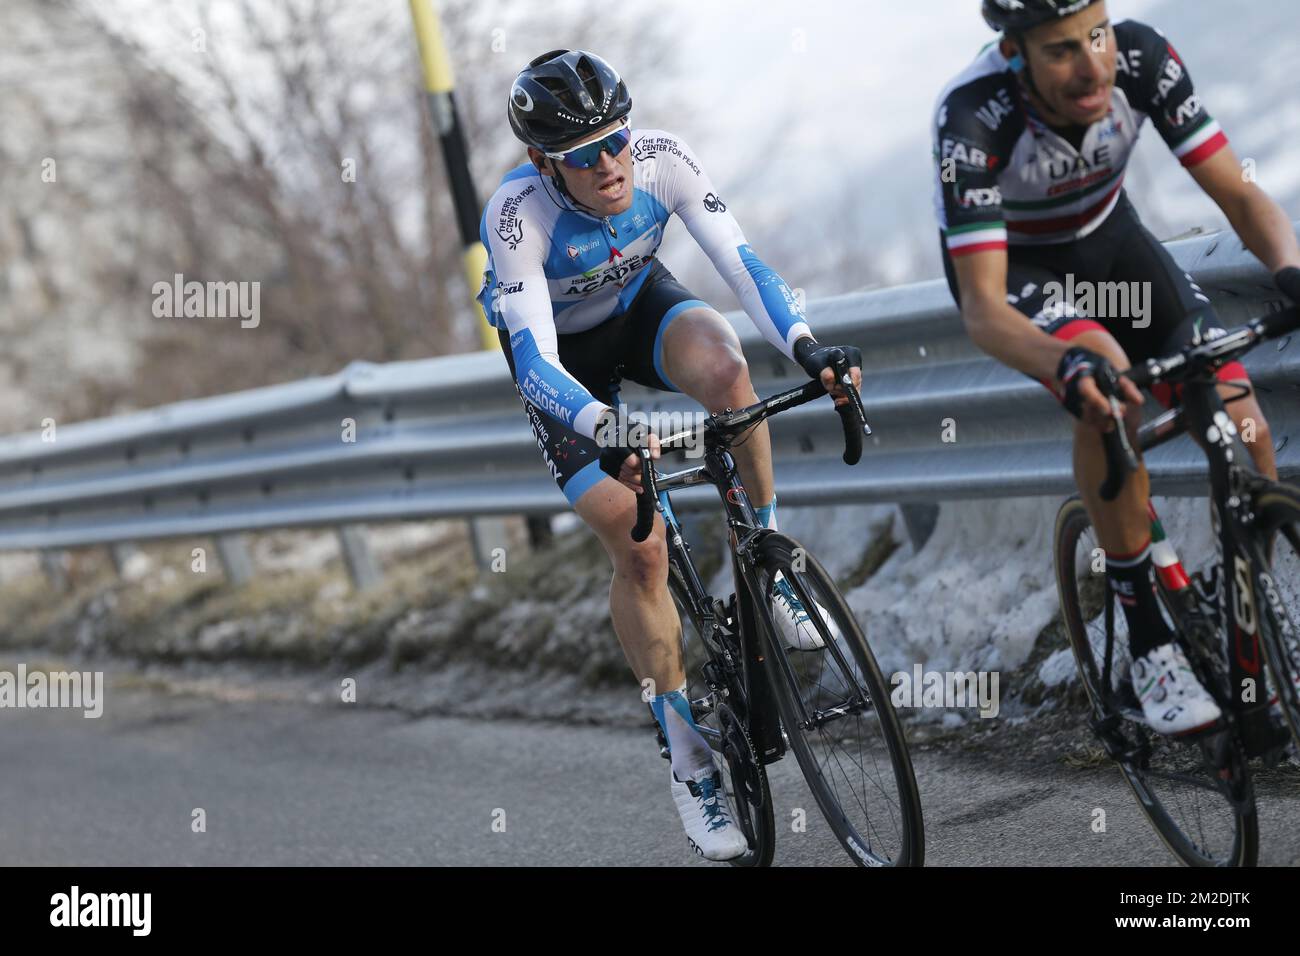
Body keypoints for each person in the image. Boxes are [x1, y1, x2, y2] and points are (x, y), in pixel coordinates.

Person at [478, 49, 863, 860]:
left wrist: (808, 346)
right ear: (545, 163)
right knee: (641, 547)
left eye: (616, 141)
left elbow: (740, 261)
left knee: (729, 374)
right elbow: (535, 355)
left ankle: (764, 559)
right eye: (584, 157)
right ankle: (688, 761)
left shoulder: (662, 159)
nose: (610, 164)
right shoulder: (518, 217)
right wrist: (603, 428)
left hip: (637, 308)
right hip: (563, 372)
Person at [933, 0, 1300, 734]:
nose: (1093, 64)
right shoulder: (973, 115)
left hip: (1114, 242)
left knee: (1246, 427)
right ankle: (1148, 642)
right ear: (1015, 51)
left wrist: (1290, 270)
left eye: (1098, 35)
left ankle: (1241, 623)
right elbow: (981, 310)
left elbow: (1237, 191)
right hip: (1017, 277)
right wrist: (1064, 364)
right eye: (1063, 49)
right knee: (1102, 374)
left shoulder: (1143, 59)